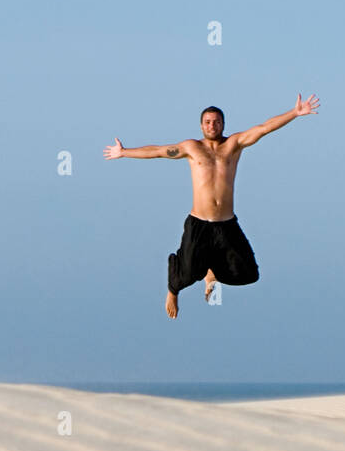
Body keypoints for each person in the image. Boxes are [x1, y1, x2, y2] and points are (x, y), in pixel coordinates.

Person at [103, 94, 320, 318]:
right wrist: (124, 152)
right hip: (199, 224)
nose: (212, 125)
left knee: (249, 274)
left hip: (227, 224)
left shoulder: (234, 145)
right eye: (207, 122)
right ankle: (172, 290)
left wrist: (294, 113)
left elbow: (264, 128)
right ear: (201, 125)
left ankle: (212, 271)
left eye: (216, 122)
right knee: (187, 275)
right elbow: (158, 151)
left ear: (223, 124)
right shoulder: (191, 148)